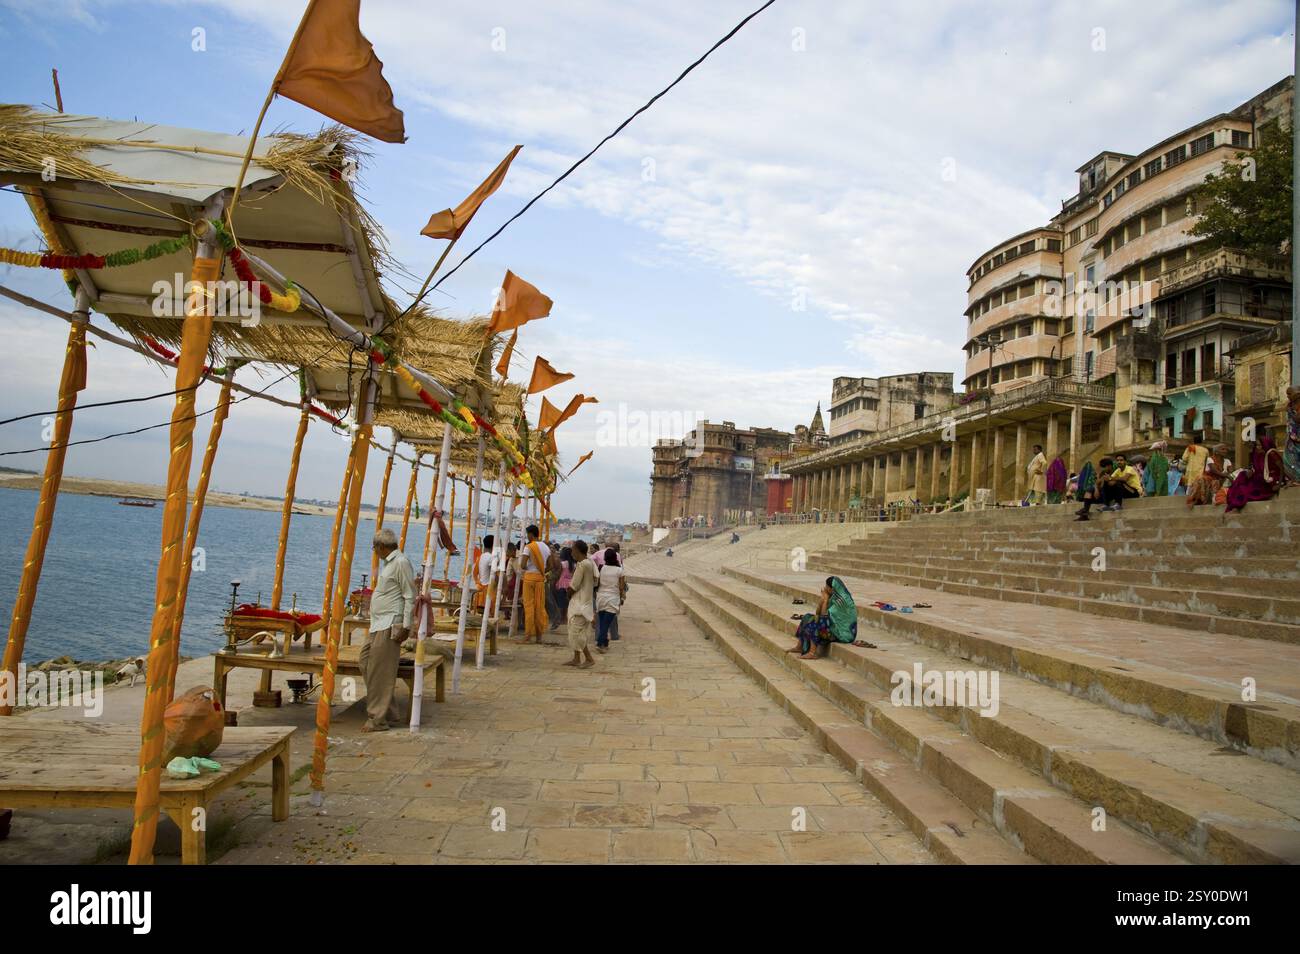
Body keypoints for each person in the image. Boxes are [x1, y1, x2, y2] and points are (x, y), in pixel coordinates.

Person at [360, 529, 415, 733]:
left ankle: (378, 718)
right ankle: (388, 710)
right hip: (378, 623)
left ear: (381, 547)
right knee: (365, 662)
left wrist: (406, 625)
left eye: (375, 548)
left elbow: (410, 595)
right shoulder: (390, 563)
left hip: (390, 623)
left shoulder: (400, 562)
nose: (374, 551)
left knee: (381, 671)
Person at [787, 577, 857, 660]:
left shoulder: (842, 600)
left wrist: (826, 600)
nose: (825, 588)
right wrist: (822, 600)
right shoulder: (834, 596)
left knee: (817, 621)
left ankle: (812, 653)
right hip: (833, 626)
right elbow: (818, 613)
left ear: (832, 588)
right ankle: (799, 647)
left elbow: (824, 617)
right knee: (807, 617)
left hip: (843, 634)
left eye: (827, 586)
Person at [1225, 434, 1283, 513]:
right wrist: (1251, 471)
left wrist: (1279, 484)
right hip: (1257, 478)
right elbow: (1256, 468)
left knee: (1244, 490)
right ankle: (1234, 506)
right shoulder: (1257, 454)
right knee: (1241, 477)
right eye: (1257, 445)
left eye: (1260, 445)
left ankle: (1236, 508)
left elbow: (1282, 468)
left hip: (1268, 481)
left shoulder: (1271, 454)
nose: (1257, 447)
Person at [563, 540, 596, 669]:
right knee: (574, 630)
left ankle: (588, 658)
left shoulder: (582, 565)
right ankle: (576, 658)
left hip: (580, 604)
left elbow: (574, 585)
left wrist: (568, 593)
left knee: (576, 632)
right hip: (585, 602)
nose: (571, 552)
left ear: (577, 550)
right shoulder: (590, 563)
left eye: (573, 550)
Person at [519, 525, 550, 643]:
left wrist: (529, 568)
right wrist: (541, 571)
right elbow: (550, 565)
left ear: (531, 534)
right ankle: (539, 636)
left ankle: (527, 635)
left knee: (529, 607)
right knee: (539, 607)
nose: (527, 536)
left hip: (529, 579)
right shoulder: (546, 548)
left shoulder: (529, 547)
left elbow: (522, 565)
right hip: (540, 579)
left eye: (527, 534)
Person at [594, 548, 626, 653]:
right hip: (613, 598)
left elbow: (597, 583)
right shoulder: (620, 571)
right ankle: (599, 643)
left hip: (601, 597)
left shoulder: (601, 568)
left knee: (603, 621)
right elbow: (621, 587)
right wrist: (622, 598)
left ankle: (605, 643)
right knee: (606, 624)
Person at [1186, 444, 1231, 508]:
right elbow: (1213, 470)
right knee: (1200, 478)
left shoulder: (1227, 461)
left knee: (1216, 482)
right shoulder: (1210, 459)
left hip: (1221, 481)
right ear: (1216, 452)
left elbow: (1230, 472)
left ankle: (1213, 500)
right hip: (1209, 479)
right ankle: (1196, 500)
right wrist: (1225, 475)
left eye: (1226, 449)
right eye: (1223, 449)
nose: (1225, 451)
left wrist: (1228, 476)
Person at [472, 534, 495, 614]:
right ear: (493, 545)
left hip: (480, 587)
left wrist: (477, 583)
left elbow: (474, 573)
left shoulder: (481, 556)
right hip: (488, 589)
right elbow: (498, 574)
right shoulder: (491, 558)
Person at [545, 543, 563, 632]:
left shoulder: (555, 558)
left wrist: (551, 579)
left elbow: (557, 572)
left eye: (552, 548)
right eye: (549, 548)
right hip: (550, 582)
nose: (551, 549)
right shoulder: (551, 557)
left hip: (552, 582)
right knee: (550, 601)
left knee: (550, 601)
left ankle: (556, 619)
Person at [555, 545, 574, 625]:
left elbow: (559, 574)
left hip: (562, 584)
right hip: (570, 584)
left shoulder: (562, 563)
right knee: (568, 603)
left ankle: (561, 618)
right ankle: (566, 618)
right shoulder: (574, 564)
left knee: (560, 603)